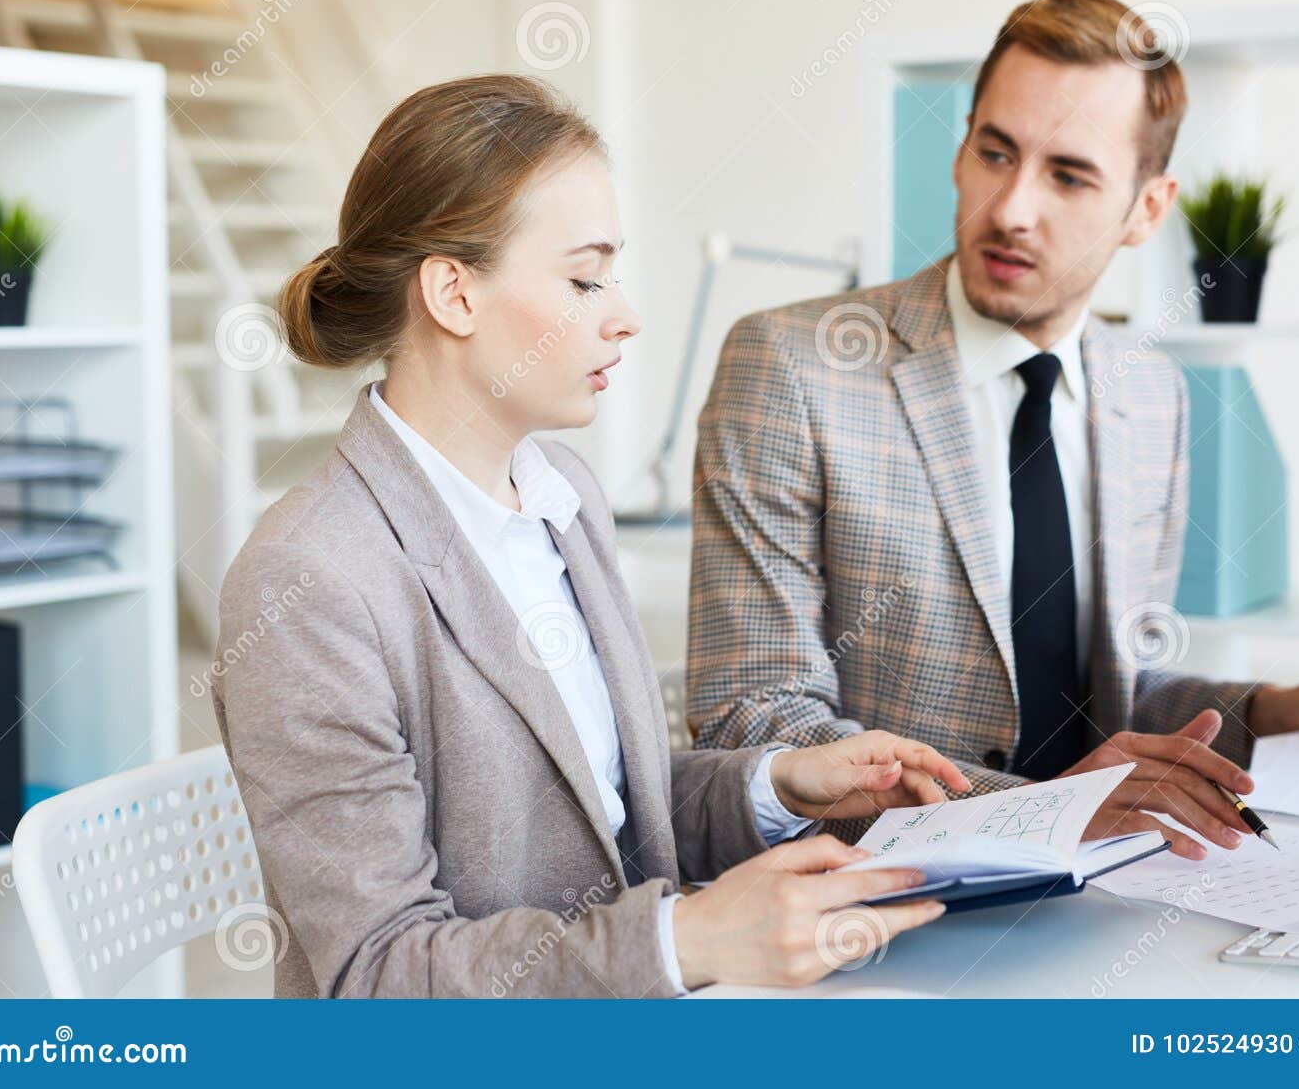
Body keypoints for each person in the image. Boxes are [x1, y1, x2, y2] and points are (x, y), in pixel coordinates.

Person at [212, 74, 971, 999]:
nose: (624, 315)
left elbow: (603, 814)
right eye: (584, 279)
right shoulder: (309, 578)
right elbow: (377, 976)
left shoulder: (563, 495)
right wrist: (684, 939)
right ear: (453, 293)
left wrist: (777, 785)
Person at [686, 0, 1299, 859]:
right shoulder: (791, 366)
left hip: (1107, 879)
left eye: (1069, 175)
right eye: (996, 152)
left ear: (1148, 209)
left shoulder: (1155, 396)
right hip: (880, 899)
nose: (1011, 209)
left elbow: (1105, 692)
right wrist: (1042, 811)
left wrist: (1270, 713)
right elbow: (754, 718)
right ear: (961, 148)